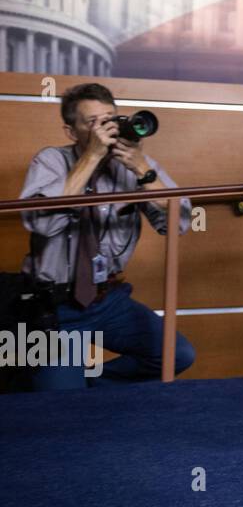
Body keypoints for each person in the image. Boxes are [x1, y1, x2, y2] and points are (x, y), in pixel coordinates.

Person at [18, 82, 194, 389]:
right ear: (71, 132)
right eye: (94, 123)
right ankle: (70, 386)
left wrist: (143, 170)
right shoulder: (50, 160)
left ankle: (91, 384)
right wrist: (92, 157)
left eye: (111, 118)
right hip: (57, 308)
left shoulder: (134, 164)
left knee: (177, 355)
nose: (107, 128)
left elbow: (178, 224)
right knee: (57, 406)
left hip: (108, 300)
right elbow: (42, 223)